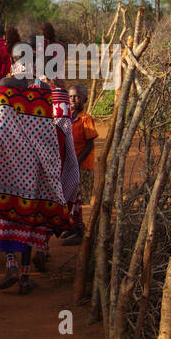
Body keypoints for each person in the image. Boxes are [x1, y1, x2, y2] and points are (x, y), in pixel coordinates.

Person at [0, 76, 73, 294]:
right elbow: (51, 152)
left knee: (6, 222)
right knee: (29, 227)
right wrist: (52, 182)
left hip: (7, 185)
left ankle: (11, 265)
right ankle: (24, 275)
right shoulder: (40, 112)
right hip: (34, 185)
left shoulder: (6, 112)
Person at [63, 84, 98, 244]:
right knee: (70, 196)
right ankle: (73, 226)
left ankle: (80, 229)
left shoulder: (86, 119)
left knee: (78, 198)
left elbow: (90, 143)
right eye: (70, 97)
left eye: (76, 97)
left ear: (84, 98)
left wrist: (76, 163)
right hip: (71, 165)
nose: (73, 100)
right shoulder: (68, 117)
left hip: (82, 165)